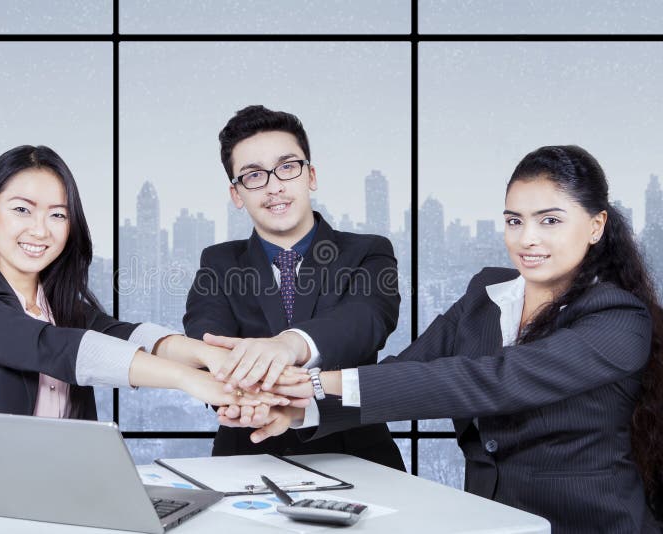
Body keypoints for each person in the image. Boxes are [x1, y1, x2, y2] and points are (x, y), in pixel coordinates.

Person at [222, 145, 663, 532]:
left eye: (550, 220)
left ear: (595, 226)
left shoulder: (620, 319)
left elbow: (490, 381)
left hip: (587, 525)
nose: (527, 239)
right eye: (514, 221)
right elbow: (410, 369)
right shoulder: (485, 295)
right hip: (490, 523)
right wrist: (301, 407)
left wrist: (317, 382)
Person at [0, 145, 288, 480]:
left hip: (48, 492)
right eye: (22, 210)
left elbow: (127, 335)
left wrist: (214, 358)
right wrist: (191, 380)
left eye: (57, 215)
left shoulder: (61, 307)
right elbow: (56, 347)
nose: (40, 230)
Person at [183, 105, 405, 470]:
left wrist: (287, 345)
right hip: (247, 458)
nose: (274, 187)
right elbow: (207, 344)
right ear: (237, 194)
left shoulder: (367, 251)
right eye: (254, 175)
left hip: (356, 457)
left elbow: (365, 321)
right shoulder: (219, 262)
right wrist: (244, 395)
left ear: (310, 176)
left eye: (287, 167)